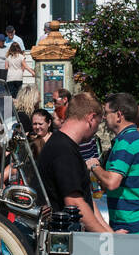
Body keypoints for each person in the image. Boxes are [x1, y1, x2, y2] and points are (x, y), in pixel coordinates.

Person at [36, 91, 111, 234]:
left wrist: (110, 233)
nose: (96, 131)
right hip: (64, 239)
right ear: (91, 118)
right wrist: (107, 238)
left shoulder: (66, 146)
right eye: (98, 124)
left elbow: (86, 201)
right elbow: (74, 203)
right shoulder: (63, 150)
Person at [90, 93, 139, 234]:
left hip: (130, 227)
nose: (103, 118)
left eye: (106, 113)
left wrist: (94, 166)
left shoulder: (126, 143)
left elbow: (112, 182)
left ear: (119, 115)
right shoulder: (136, 140)